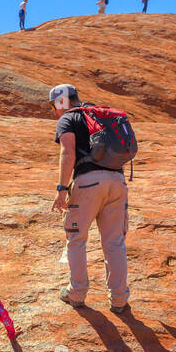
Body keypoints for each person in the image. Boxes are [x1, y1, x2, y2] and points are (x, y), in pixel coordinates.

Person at [48, 84, 130, 312]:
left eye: (53, 106)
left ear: (62, 102)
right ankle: (119, 300)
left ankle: (77, 293)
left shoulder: (68, 119)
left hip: (88, 183)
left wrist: (62, 189)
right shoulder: (98, 114)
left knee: (76, 239)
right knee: (114, 243)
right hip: (117, 182)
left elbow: (68, 152)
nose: (54, 111)